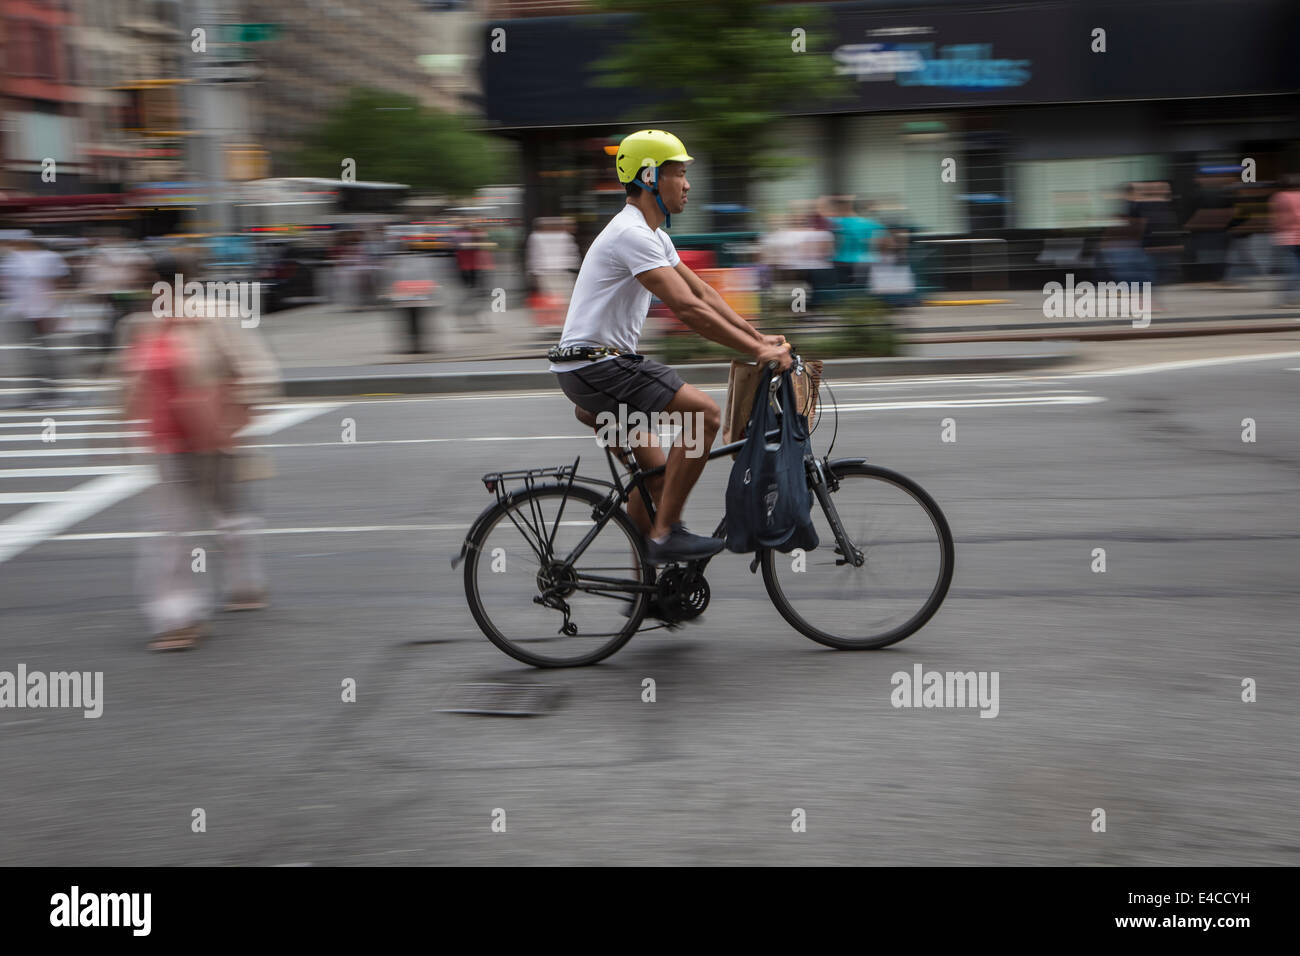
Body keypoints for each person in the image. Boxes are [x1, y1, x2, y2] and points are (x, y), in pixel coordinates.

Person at [548, 128, 791, 563]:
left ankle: (646, 589)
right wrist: (757, 354)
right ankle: (665, 535)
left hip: (591, 373)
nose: (687, 183)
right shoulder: (631, 235)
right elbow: (686, 309)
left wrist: (758, 337)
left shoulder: (653, 235)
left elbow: (703, 296)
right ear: (649, 177)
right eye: (678, 173)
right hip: (599, 369)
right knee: (704, 416)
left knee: (657, 477)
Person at [120, 256, 281, 651]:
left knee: (227, 514)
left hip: (214, 435)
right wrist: (116, 424)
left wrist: (238, 414)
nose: (153, 293)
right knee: (171, 532)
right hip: (167, 442)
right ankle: (176, 617)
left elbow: (257, 368)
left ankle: (243, 581)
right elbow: (129, 381)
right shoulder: (140, 326)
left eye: (157, 284)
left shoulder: (217, 317)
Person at [0, 237, 70, 406]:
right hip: (20, 313)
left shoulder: (47, 257)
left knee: (45, 355)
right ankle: (36, 392)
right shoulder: (12, 259)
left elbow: (60, 284)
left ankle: (53, 394)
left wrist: (56, 311)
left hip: (43, 312)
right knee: (27, 355)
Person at [1269, 173, 1300, 308]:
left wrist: (1276, 229)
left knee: (1291, 269)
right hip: (1294, 237)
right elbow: (1296, 216)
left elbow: (1275, 218)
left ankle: (1287, 298)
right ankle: (1287, 298)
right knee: (1294, 269)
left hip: (1284, 237)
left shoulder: (1278, 197)